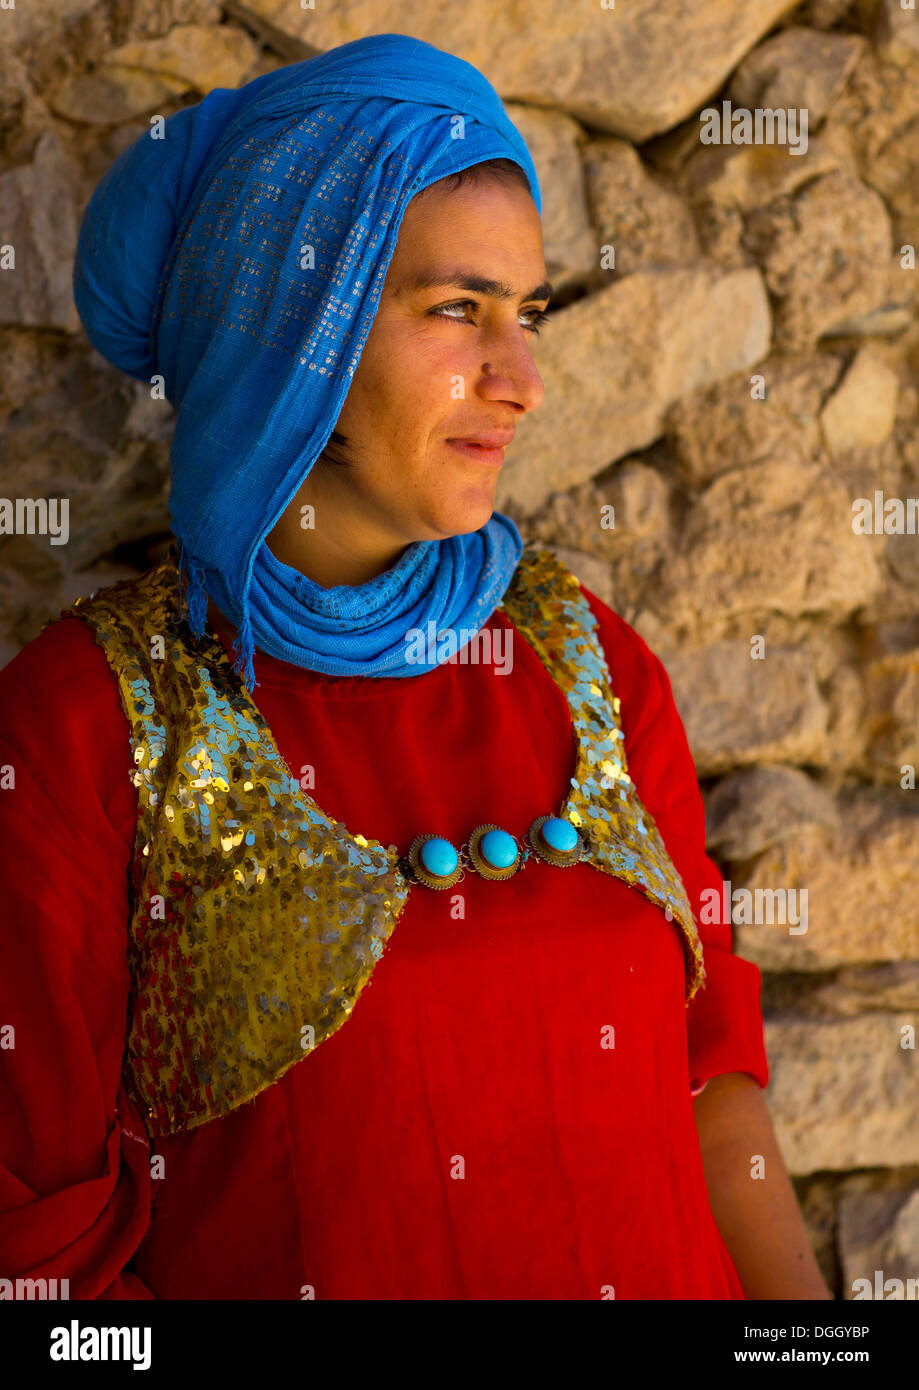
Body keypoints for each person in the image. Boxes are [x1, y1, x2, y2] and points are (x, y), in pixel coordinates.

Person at [0, 33, 831, 1301]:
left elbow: (715, 1089)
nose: (523, 380)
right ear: (293, 333)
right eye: (458, 311)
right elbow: (38, 1265)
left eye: (527, 314)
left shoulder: (587, 664)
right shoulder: (86, 729)